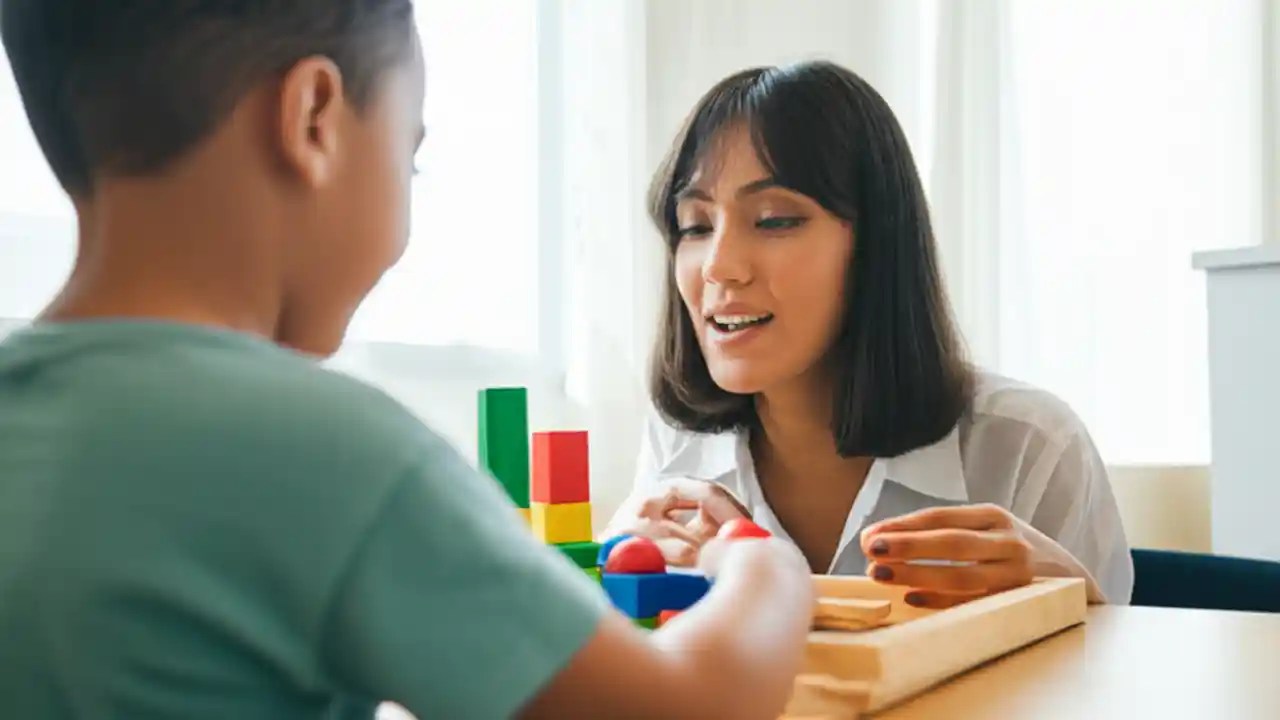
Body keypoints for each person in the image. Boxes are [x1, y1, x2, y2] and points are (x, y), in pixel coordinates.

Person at [0, 3, 815, 719]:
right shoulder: (327, 452)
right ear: (314, 117)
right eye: (409, 152)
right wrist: (760, 559)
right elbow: (684, 708)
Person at [603, 61, 1134, 608]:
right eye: (695, 226)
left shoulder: (1029, 444)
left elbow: (1111, 686)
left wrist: (1074, 600)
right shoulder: (677, 450)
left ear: (876, 246)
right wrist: (608, 572)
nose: (720, 267)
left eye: (774, 220)